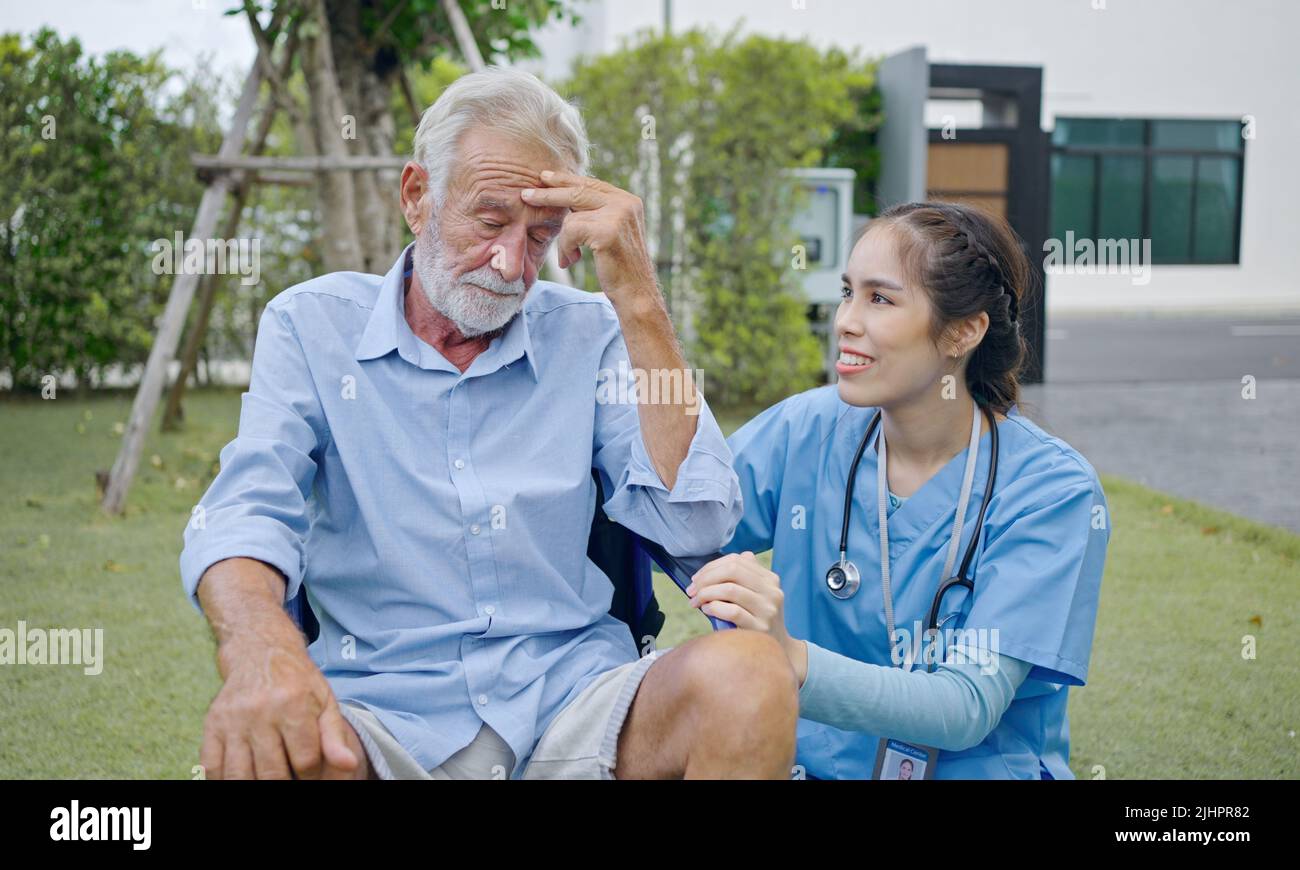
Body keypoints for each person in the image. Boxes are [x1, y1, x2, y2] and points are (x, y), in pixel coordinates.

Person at [180, 66, 798, 780]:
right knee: (267, 757)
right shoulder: (310, 325)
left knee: (750, 675)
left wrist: (637, 298)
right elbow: (246, 513)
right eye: (490, 220)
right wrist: (262, 653)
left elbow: (697, 529)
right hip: (384, 717)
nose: (510, 263)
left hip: (575, 705)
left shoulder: (592, 333)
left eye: (540, 235)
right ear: (418, 196)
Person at [686, 202, 1111, 779]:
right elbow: (679, 520)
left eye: (880, 299)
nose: (845, 321)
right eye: (847, 292)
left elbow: (966, 708)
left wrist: (790, 658)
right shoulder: (808, 428)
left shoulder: (1051, 491)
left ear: (963, 331)